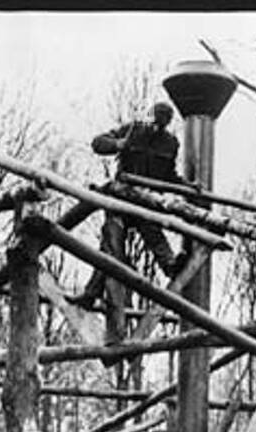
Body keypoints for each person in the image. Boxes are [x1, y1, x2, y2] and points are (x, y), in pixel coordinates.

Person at [77, 101, 192, 312]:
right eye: (154, 121)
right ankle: (91, 294)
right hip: (121, 200)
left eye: (161, 124)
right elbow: (97, 143)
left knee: (154, 234)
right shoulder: (133, 130)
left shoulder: (170, 143)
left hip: (145, 202)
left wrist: (187, 186)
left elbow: (168, 176)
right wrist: (118, 144)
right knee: (112, 246)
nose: (156, 127)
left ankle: (170, 266)